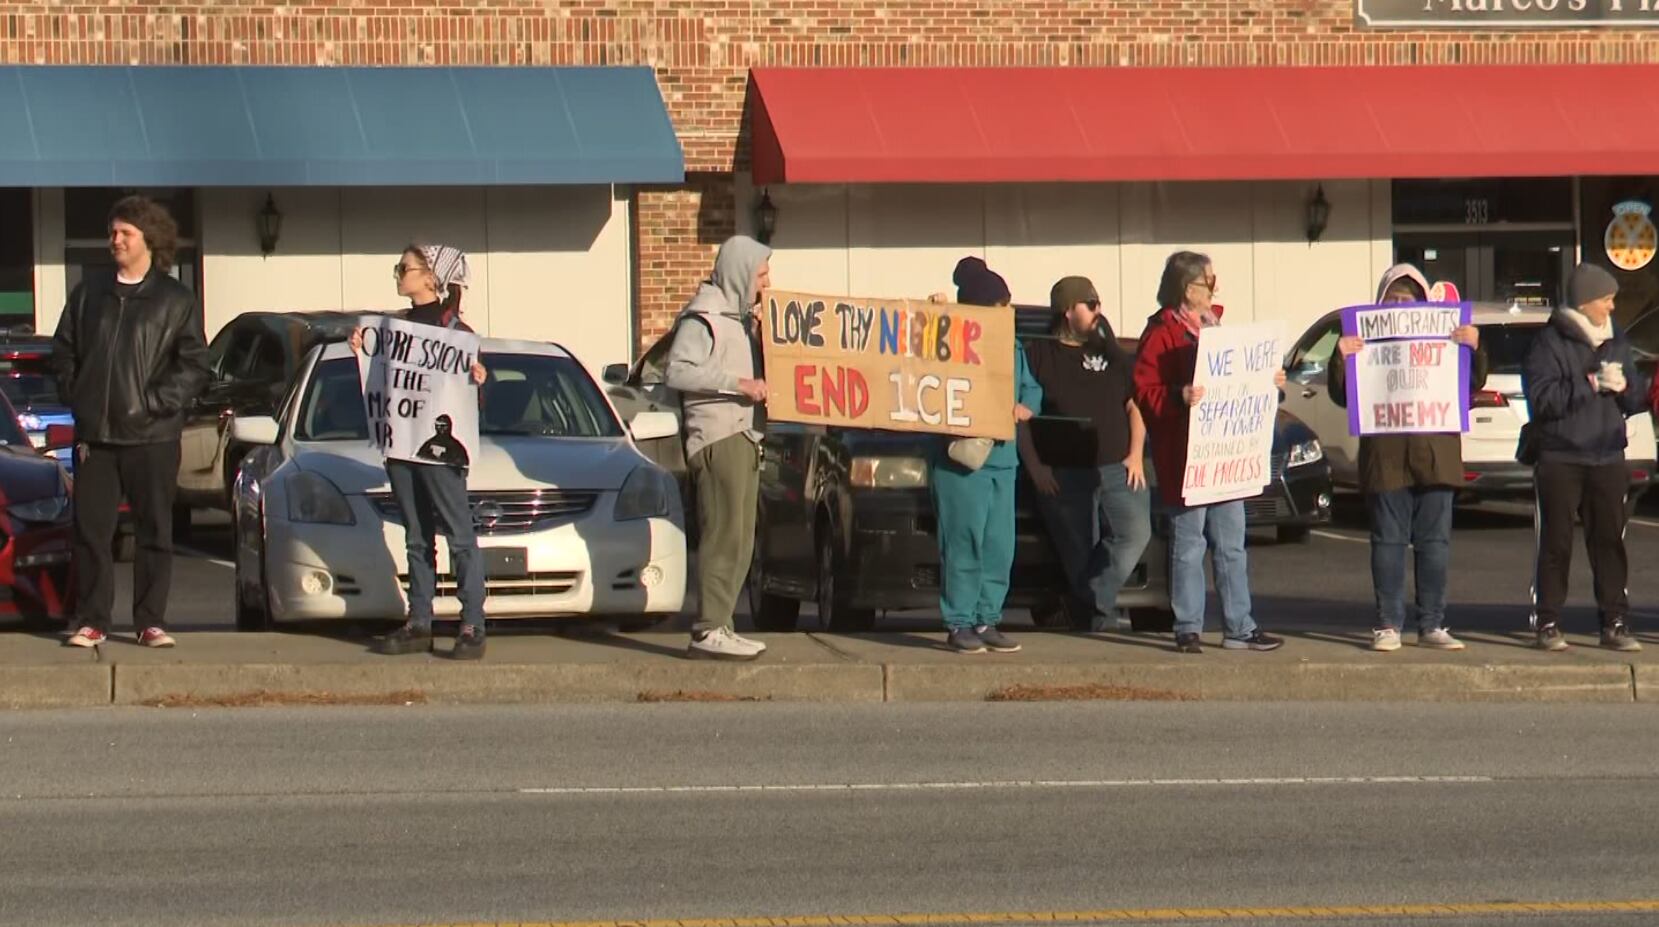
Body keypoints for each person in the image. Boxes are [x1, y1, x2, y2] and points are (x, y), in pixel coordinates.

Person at [52, 195, 210, 649]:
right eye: (113, 232)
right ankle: (93, 620)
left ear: (149, 240)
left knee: (154, 531)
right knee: (92, 533)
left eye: (125, 233)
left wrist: (156, 402)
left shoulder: (175, 299)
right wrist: (76, 393)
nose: (115, 240)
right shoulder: (88, 295)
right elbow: (63, 351)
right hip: (96, 437)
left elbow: (195, 364)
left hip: (152, 436)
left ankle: (150, 623)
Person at [1329, 264, 1487, 652]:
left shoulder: (1447, 333)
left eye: (1409, 299)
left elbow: (1473, 382)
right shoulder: (1361, 338)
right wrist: (1341, 357)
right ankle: (1388, 624)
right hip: (1386, 456)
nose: (1401, 305)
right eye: (1394, 299)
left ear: (1422, 303)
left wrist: (1474, 347)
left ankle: (1432, 623)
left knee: (1435, 543)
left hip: (1437, 454)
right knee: (1388, 541)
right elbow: (1343, 395)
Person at [1133, 251, 1284, 654]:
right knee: (1189, 544)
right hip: (1188, 459)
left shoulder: (1216, 327)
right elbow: (1143, 392)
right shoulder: (1160, 333)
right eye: (1209, 282)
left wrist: (1268, 380)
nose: (1214, 289)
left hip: (1225, 458)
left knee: (1232, 545)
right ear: (1187, 287)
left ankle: (1239, 626)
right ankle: (1188, 627)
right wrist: (1177, 395)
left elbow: (1239, 378)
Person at [354, 244, 490, 660]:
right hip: (402, 447)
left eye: (405, 268)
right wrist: (362, 347)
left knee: (459, 536)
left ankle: (472, 624)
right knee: (417, 538)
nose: (399, 274)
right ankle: (419, 621)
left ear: (432, 277)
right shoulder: (392, 330)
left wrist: (481, 379)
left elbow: (473, 402)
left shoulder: (457, 334)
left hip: (440, 456)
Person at [1524, 263, 1647, 653]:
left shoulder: (1617, 340)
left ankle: (1615, 621)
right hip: (1561, 456)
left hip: (1608, 455)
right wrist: (1589, 383)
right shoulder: (1550, 342)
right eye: (1606, 300)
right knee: (1556, 543)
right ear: (1586, 301)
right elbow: (1543, 400)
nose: (1612, 307)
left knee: (1609, 543)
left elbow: (1638, 396)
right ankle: (1547, 621)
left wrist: (1627, 387)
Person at [1018, 275, 1152, 632]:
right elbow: (1020, 419)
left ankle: (1084, 600)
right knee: (1080, 554)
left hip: (1119, 466)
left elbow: (1134, 405)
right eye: (1090, 305)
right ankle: (1098, 629)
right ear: (1067, 311)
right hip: (1062, 473)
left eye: (1098, 304)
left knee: (1136, 533)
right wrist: (1035, 467)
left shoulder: (1109, 352)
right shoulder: (1037, 354)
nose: (1098, 311)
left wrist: (1136, 453)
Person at [924, 258, 1041, 654]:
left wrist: (1027, 405)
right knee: (963, 542)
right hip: (962, 462)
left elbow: (1032, 387)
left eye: (1007, 303)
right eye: (998, 304)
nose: (1006, 312)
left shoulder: (1013, 345)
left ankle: (987, 618)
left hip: (1003, 461)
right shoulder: (950, 342)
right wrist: (937, 315)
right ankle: (959, 622)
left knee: (998, 545)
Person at [665, 235, 773, 661]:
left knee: (742, 537)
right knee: (722, 534)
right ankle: (708, 627)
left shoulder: (739, 318)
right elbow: (677, 370)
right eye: (761, 273)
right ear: (739, 271)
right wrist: (739, 385)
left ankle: (722, 623)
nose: (766, 282)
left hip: (745, 435)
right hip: (718, 435)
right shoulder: (703, 315)